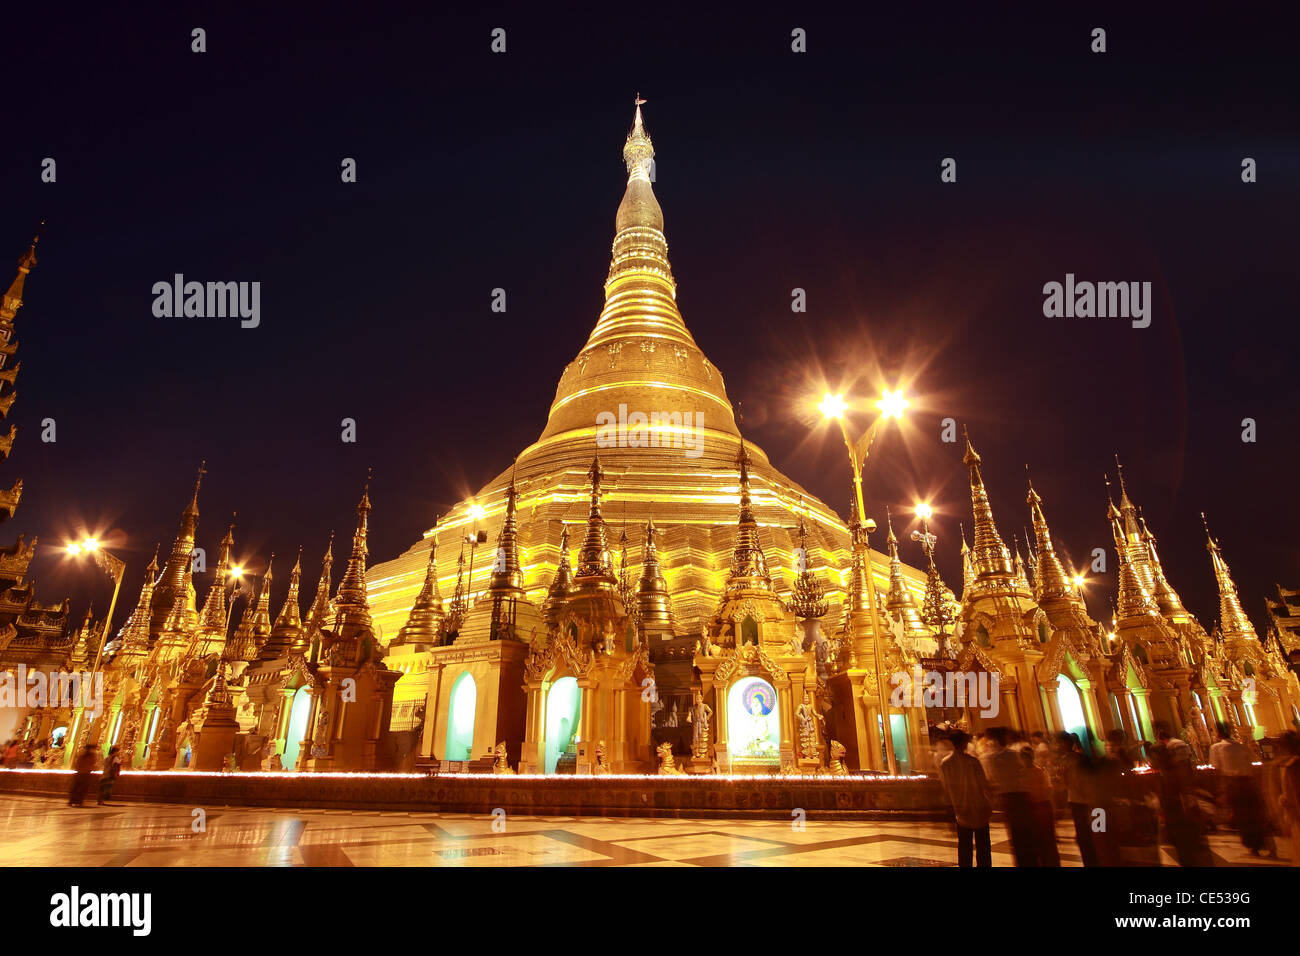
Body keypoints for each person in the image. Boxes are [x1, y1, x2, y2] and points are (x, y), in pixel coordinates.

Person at [1210, 722, 1273, 856]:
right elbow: (1253, 762)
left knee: (1242, 816)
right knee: (1252, 814)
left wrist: (1221, 788)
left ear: (1218, 733)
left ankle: (1252, 844)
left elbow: (1216, 769)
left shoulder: (1217, 748)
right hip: (1248, 782)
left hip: (1233, 784)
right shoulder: (1241, 747)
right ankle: (1260, 841)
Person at [981, 726, 1039, 866]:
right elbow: (1022, 772)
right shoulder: (1013, 754)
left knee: (1017, 834)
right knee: (1024, 833)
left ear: (993, 741)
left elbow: (987, 780)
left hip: (1007, 797)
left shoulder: (988, 758)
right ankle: (1030, 861)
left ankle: (1023, 861)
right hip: (1021, 794)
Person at [938, 731, 994, 867]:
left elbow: (945, 787)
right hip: (978, 805)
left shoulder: (946, 763)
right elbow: (983, 784)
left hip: (960, 808)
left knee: (964, 846)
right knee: (983, 846)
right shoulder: (973, 761)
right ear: (964, 743)